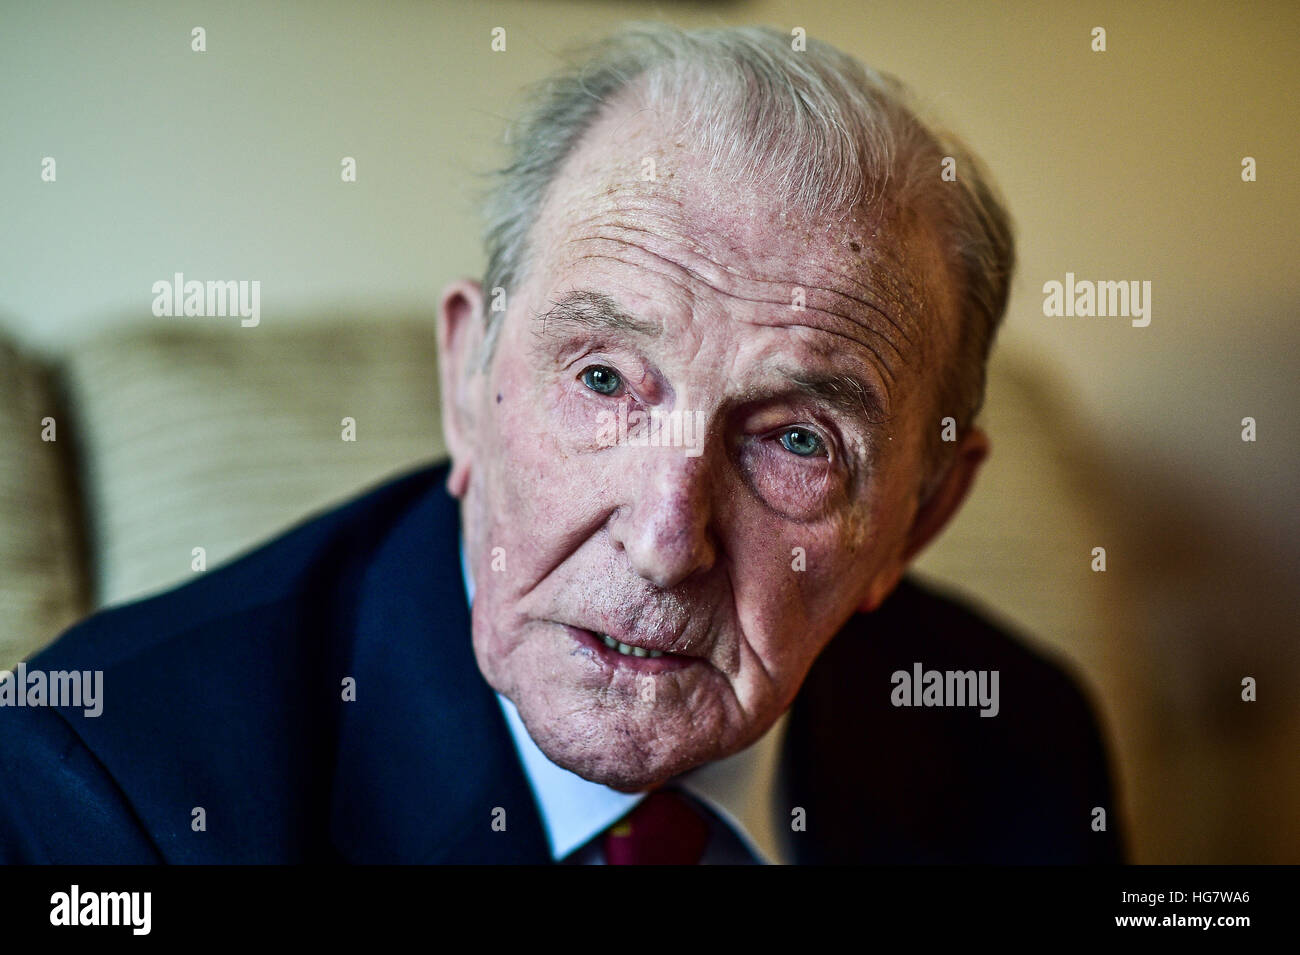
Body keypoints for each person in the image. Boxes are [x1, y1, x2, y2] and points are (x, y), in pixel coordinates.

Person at [0, 24, 1123, 864]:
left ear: (921, 514)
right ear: (467, 379)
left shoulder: (1017, 738)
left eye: (793, 437)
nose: (663, 540)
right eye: (602, 378)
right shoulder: (108, 785)